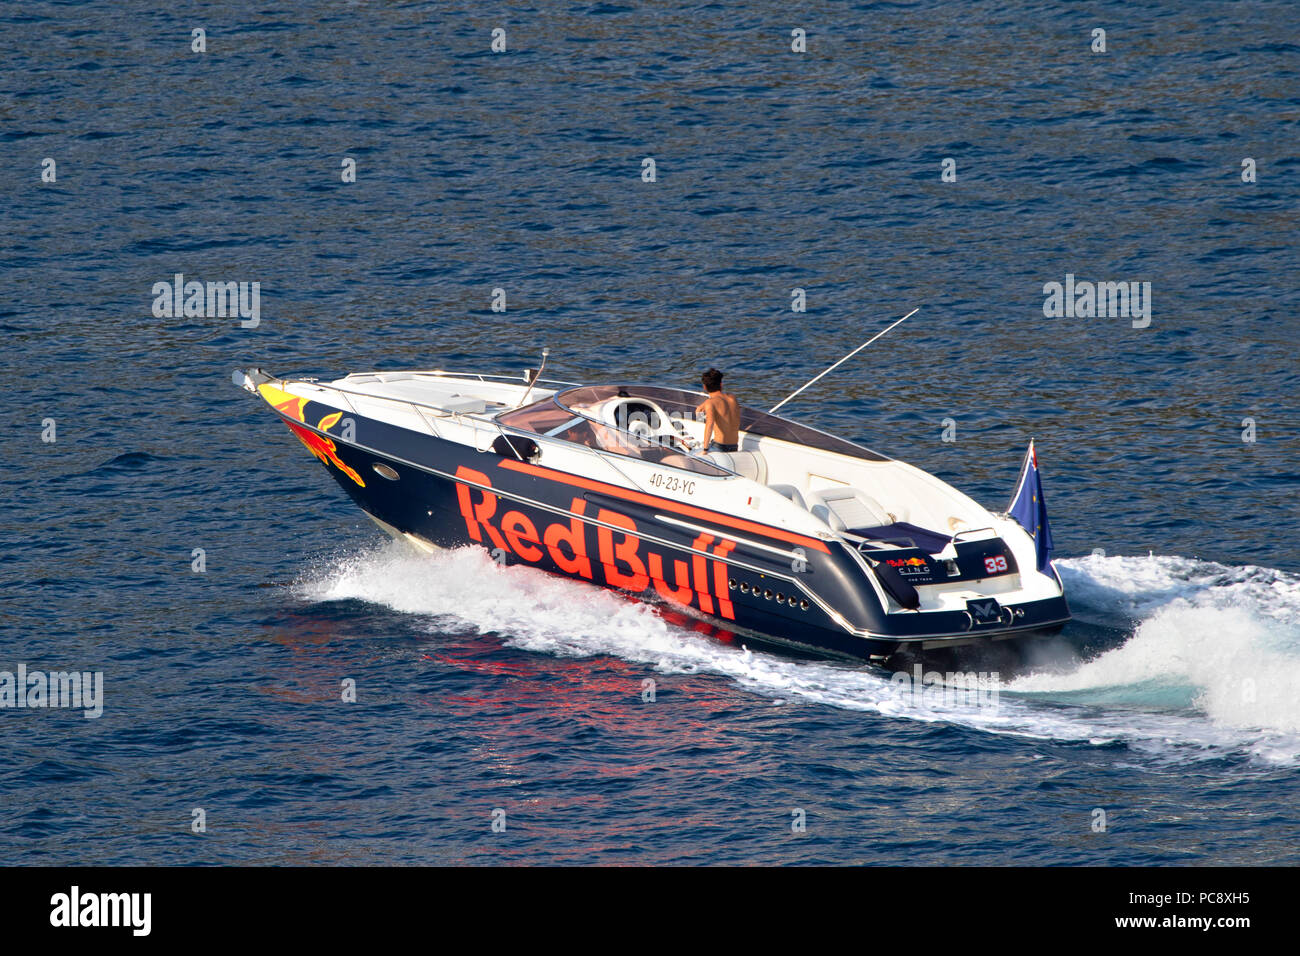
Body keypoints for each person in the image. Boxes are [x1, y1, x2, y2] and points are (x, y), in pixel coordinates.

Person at [694, 368, 740, 452]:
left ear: (704, 387)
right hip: (734, 446)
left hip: (719, 447)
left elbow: (709, 425)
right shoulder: (732, 398)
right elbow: (719, 401)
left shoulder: (710, 403)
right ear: (721, 384)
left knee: (690, 454)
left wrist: (705, 449)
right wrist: (702, 406)